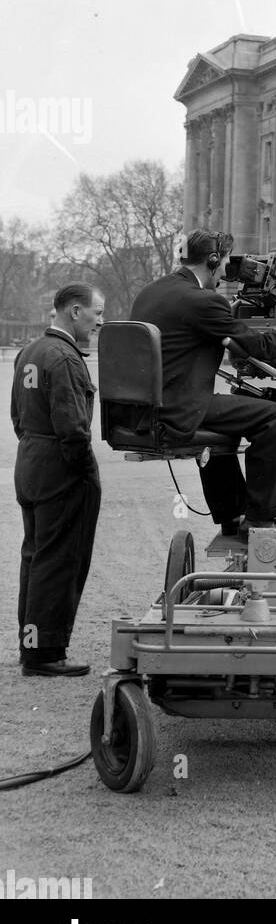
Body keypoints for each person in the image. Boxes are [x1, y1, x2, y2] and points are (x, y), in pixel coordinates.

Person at [129, 230, 276, 543]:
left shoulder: (152, 292)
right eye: (224, 262)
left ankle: (232, 515)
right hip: (178, 408)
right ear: (212, 260)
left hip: (147, 407)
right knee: (272, 416)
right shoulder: (202, 301)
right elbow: (261, 346)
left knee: (229, 420)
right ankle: (261, 521)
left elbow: (208, 338)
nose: (226, 272)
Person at [11, 283, 105, 677]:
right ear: (74, 311)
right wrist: (85, 471)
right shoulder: (65, 358)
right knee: (60, 559)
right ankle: (46, 654)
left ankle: (32, 644)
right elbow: (73, 429)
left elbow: (18, 417)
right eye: (96, 313)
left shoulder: (30, 351)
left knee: (35, 556)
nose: (100, 321)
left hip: (30, 459)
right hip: (59, 467)